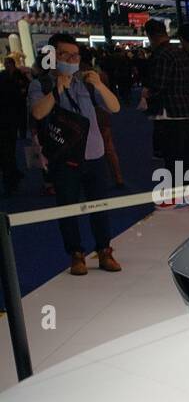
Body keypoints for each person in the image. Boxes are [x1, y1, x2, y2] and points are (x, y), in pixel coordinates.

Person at [28, 33, 123, 275]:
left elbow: (114, 107)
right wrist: (58, 91)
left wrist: (99, 84)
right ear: (52, 56)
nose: (72, 59)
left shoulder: (87, 82)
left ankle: (104, 250)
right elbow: (38, 113)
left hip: (95, 155)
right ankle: (76, 254)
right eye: (65, 54)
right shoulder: (42, 84)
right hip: (64, 158)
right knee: (67, 208)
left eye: (75, 55)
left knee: (99, 206)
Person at [143, 18, 189, 181]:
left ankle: (180, 195)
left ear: (150, 36)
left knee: (173, 158)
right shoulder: (180, 52)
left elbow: (159, 85)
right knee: (187, 157)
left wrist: (147, 94)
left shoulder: (161, 54)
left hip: (170, 113)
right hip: (187, 110)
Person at [0, 57, 24, 195]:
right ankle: (12, 178)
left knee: (6, 153)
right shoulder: (9, 81)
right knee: (9, 152)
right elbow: (17, 98)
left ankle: (11, 179)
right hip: (10, 121)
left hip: (6, 122)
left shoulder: (5, 78)